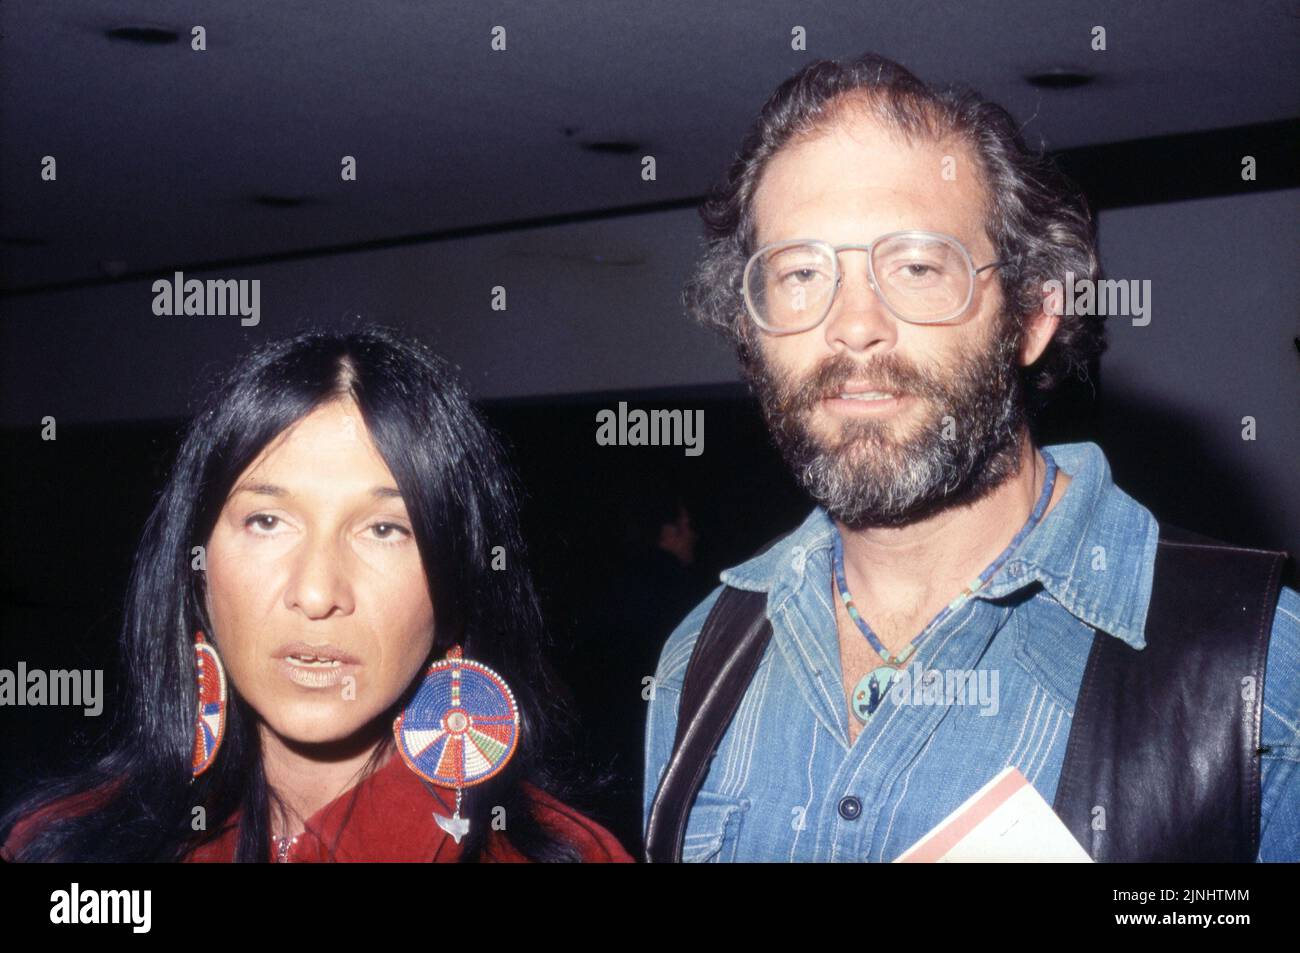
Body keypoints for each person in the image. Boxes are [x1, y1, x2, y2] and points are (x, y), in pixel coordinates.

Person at [643, 52, 1299, 862]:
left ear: (1031, 315)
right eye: (801, 272)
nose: (853, 326)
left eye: (917, 267)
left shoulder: (1266, 680)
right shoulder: (697, 662)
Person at [1, 325, 631, 862]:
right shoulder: (60, 848)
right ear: (197, 566)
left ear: (454, 584)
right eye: (267, 522)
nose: (315, 592)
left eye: (386, 529)